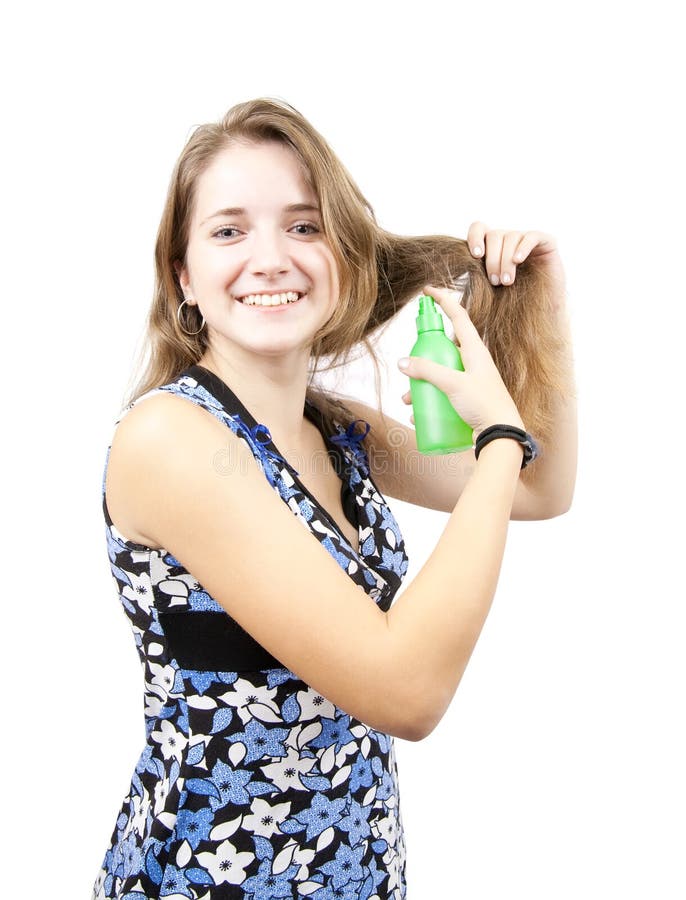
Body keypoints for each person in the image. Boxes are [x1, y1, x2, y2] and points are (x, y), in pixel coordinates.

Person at [93, 97, 576, 899]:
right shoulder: (171, 440)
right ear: (183, 274)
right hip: (217, 880)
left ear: (343, 253)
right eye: (229, 231)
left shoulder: (338, 430)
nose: (270, 258)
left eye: (304, 226)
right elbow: (406, 693)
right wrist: (497, 437)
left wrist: (543, 304)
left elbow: (540, 488)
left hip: (352, 870)